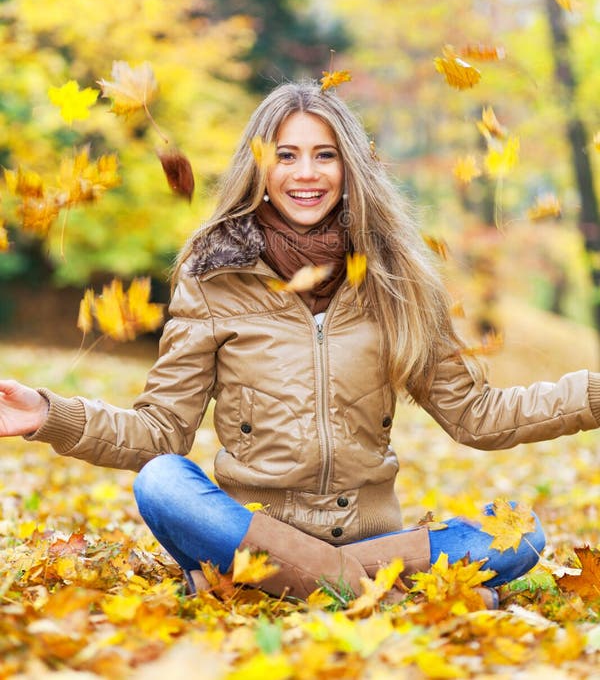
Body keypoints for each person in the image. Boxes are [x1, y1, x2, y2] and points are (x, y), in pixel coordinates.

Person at [1, 80, 599, 609]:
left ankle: (281, 583)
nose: (305, 174)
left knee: (520, 534)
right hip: (247, 531)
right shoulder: (213, 278)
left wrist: (594, 394)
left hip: (369, 534)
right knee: (161, 481)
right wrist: (48, 415)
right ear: (259, 167)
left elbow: (477, 417)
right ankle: (374, 591)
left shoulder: (399, 281)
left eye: (324, 156)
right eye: (285, 156)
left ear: (349, 169)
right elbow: (160, 432)